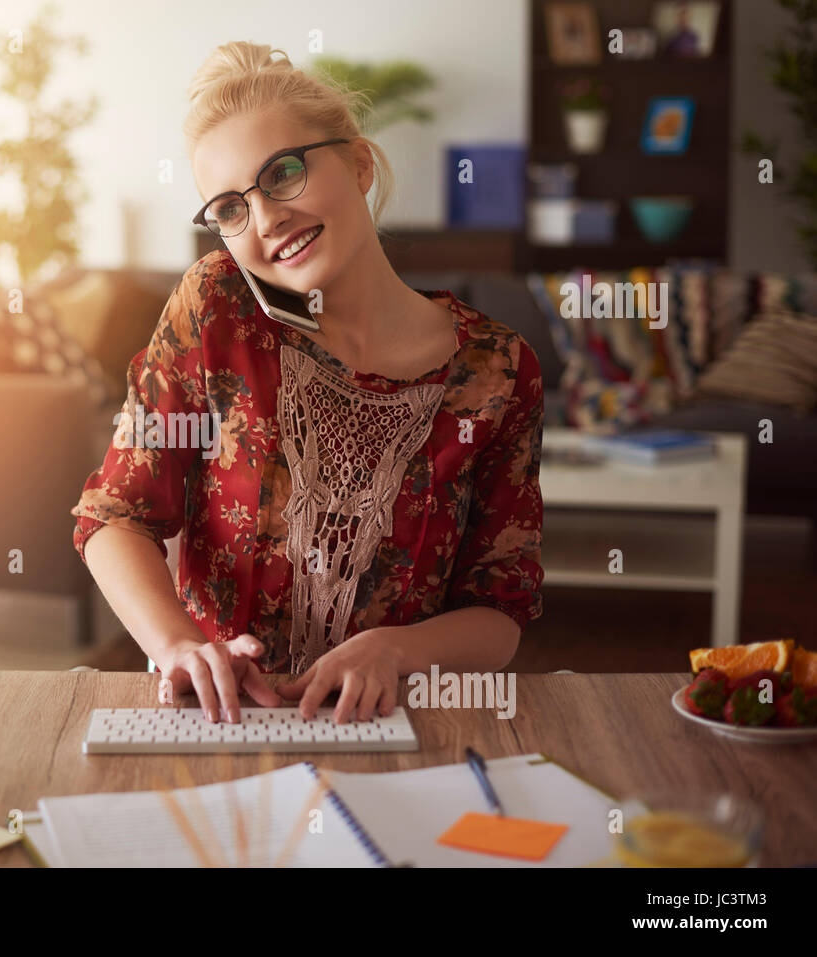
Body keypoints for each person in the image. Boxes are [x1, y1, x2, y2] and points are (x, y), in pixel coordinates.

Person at [71, 42, 544, 726]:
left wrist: (394, 650)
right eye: (230, 208)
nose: (265, 220)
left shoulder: (499, 369)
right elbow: (115, 514)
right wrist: (177, 644)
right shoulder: (216, 309)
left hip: (395, 724)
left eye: (283, 174)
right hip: (219, 719)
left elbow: (499, 611)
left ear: (358, 164)